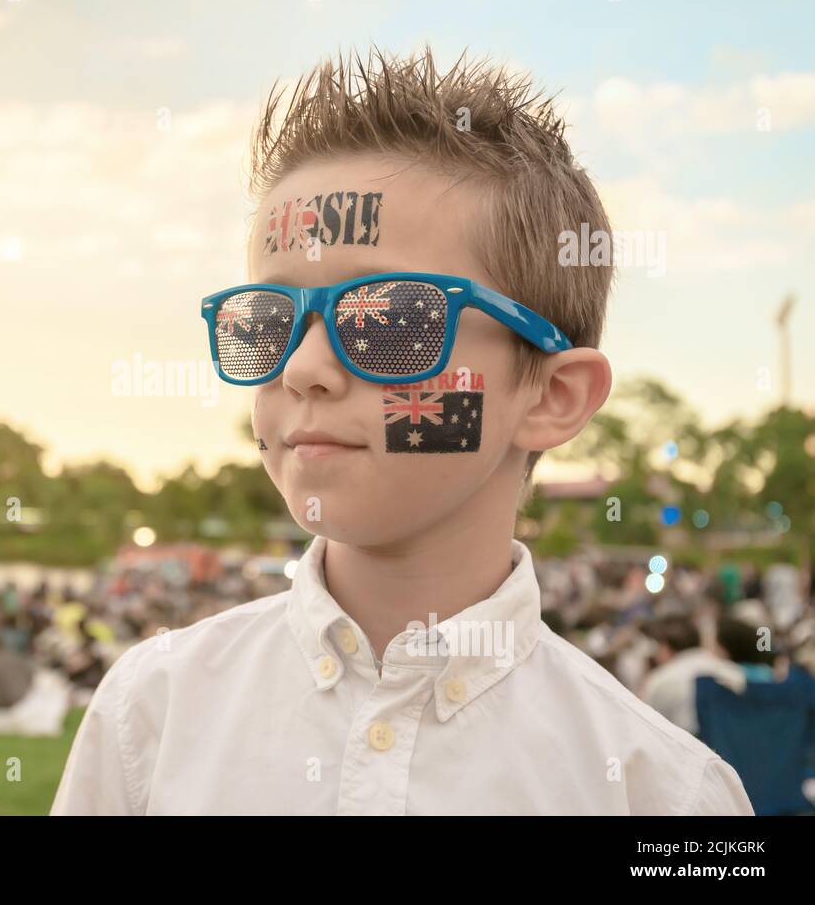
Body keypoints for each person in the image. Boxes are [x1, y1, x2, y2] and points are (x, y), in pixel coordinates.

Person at [52, 46, 753, 815]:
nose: (303, 366)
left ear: (553, 395)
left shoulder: (664, 793)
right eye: (268, 320)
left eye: (391, 318)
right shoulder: (150, 713)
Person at [638, 614, 745, 735]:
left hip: (687, 747)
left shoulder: (659, 679)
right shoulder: (733, 670)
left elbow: (644, 726)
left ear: (665, 647)